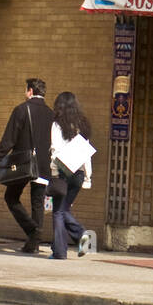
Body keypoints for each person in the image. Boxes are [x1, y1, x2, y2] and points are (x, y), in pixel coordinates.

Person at [0, 78, 53, 254]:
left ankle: (33, 231)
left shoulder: (22, 109)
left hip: (24, 163)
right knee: (37, 203)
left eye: (26, 90)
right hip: (44, 165)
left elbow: (10, 136)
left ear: (30, 91)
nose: (25, 93)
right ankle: (34, 243)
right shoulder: (51, 113)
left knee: (11, 197)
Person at [48, 92, 96, 260]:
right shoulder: (83, 124)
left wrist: (54, 171)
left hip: (62, 171)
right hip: (78, 173)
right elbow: (86, 153)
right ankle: (84, 239)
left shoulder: (57, 124)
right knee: (64, 209)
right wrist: (88, 177)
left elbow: (55, 150)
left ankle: (61, 251)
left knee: (58, 212)